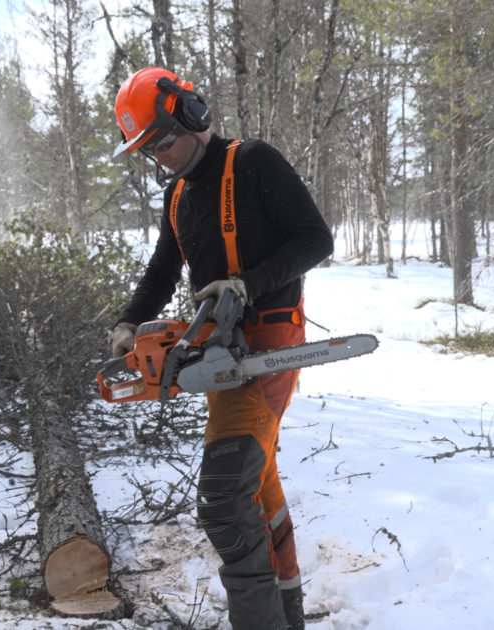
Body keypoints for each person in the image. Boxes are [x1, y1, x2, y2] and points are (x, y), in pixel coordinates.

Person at [108, 67, 335, 630]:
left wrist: (247, 284)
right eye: (147, 149)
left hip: (269, 343)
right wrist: (129, 320)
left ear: (192, 115)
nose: (159, 155)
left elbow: (316, 238)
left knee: (223, 495)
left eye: (162, 140)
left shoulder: (254, 162)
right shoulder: (177, 194)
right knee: (256, 487)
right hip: (219, 355)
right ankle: (286, 613)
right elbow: (164, 269)